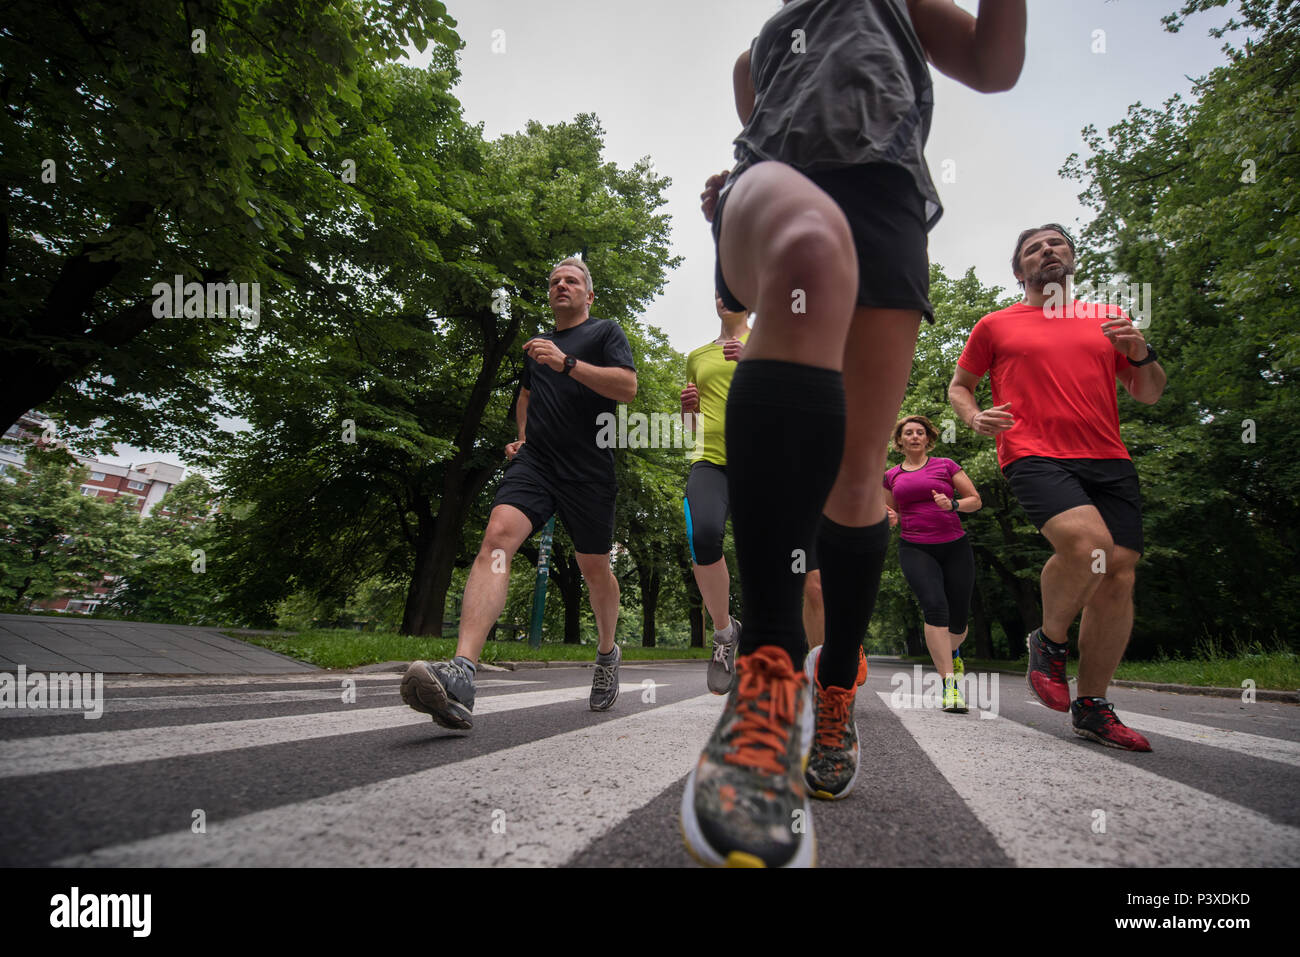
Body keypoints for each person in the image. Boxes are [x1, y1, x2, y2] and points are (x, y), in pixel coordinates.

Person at [681, 0, 1025, 868]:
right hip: (779, 184)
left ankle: (834, 690)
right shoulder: (760, 47)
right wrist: (736, 201)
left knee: (856, 482)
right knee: (805, 243)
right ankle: (765, 675)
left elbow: (993, 63)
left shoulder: (906, 6)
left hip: (887, 198)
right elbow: (763, 121)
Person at [948, 223, 1167, 751]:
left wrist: (1140, 353)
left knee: (1118, 574)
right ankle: (1048, 642)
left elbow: (1149, 394)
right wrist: (975, 418)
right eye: (1033, 248)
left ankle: (1092, 706)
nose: (1047, 251)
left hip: (1108, 456)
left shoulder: (1108, 319)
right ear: (1019, 269)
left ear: (1071, 258)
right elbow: (960, 386)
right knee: (1088, 546)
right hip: (1034, 452)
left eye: (1056, 244)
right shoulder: (996, 325)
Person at [401, 258, 637, 728]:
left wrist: (566, 363)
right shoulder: (536, 348)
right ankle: (463, 672)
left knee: (593, 568)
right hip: (538, 463)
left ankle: (608, 652)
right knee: (498, 538)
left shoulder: (605, 333)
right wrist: (524, 436)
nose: (561, 286)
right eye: (553, 281)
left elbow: (627, 388)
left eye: (571, 281)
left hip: (589, 470)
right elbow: (526, 396)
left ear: (589, 295)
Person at [680, 294, 836, 693]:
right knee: (704, 536)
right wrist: (688, 411)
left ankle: (823, 679)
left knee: (809, 580)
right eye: (716, 289)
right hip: (711, 460)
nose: (720, 296)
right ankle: (724, 632)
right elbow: (692, 430)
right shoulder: (697, 356)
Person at [883, 415, 981, 712]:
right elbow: (889, 513)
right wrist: (888, 518)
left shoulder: (946, 465)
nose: (914, 436)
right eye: (908, 433)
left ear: (928, 439)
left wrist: (952, 504)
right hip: (915, 548)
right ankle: (950, 686)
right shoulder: (891, 476)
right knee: (934, 607)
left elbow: (974, 500)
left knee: (958, 618)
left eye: (920, 432)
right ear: (899, 441)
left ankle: (953, 651)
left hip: (954, 547)